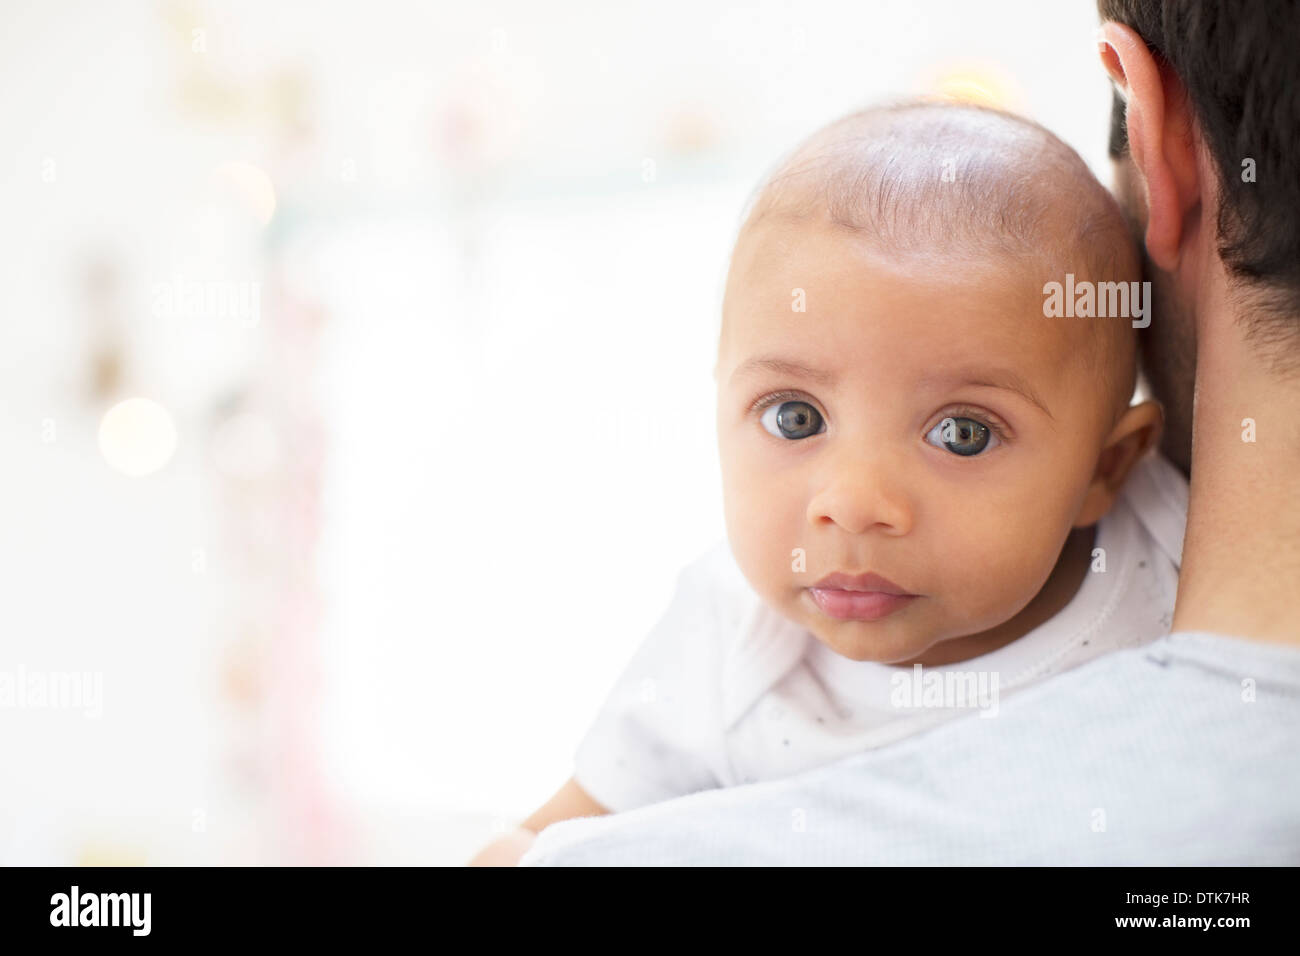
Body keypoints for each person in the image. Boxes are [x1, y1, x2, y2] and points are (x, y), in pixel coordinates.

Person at [513, 0, 1300, 865]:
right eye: (794, 417)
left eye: (962, 434)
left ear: (1107, 468)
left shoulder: (1161, 551)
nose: (853, 505)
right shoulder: (724, 644)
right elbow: (539, 835)